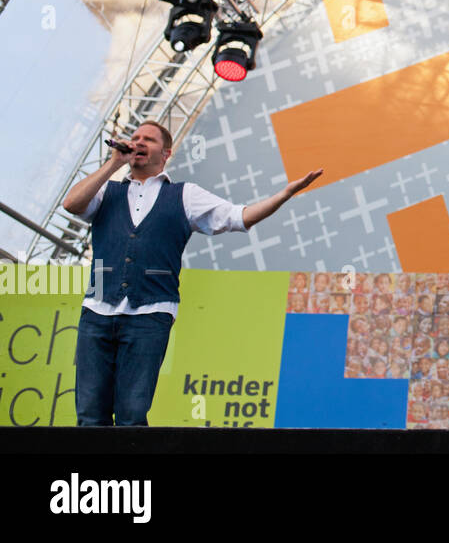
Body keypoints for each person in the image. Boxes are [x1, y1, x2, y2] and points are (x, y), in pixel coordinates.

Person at [62, 121, 322, 425]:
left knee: (132, 413)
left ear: (167, 152)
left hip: (150, 312)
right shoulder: (107, 190)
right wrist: (113, 164)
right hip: (98, 310)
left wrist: (285, 194)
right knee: (90, 414)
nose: (138, 142)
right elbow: (71, 204)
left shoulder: (184, 195)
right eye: (135, 138)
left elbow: (238, 217)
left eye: (148, 139)